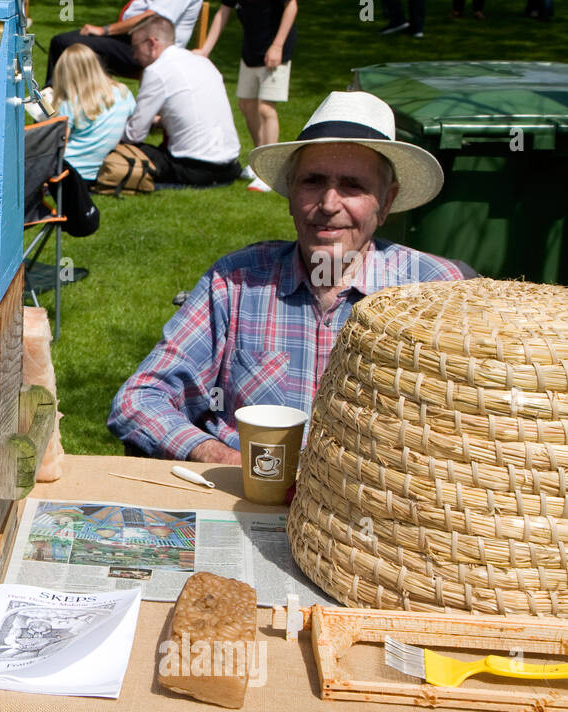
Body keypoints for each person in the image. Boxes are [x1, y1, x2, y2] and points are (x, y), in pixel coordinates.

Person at [108, 91, 467, 461]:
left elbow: (480, 427)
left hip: (373, 507)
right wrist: (218, 457)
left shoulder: (435, 292)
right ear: (291, 194)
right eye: (312, 182)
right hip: (248, 497)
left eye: (352, 186)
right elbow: (139, 399)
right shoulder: (237, 282)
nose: (328, 205)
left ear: (386, 202)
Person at [120, 15, 242, 187]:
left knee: (119, 150)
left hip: (194, 168)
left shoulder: (157, 71)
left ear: (151, 44)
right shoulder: (203, 62)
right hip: (230, 165)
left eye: (135, 47)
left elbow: (134, 135)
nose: (134, 55)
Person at [193, 0, 298, 193]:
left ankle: (270, 173)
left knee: (265, 108)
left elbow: (292, 6)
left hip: (275, 51)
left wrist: (277, 45)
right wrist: (206, 49)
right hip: (251, 50)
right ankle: (259, 164)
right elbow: (223, 12)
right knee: (246, 104)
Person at [44, 0, 203, 84]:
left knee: (68, 45)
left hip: (151, 50)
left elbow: (151, 18)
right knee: (62, 41)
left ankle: (55, 115)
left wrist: (104, 30)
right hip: (134, 40)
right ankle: (56, 107)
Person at [53, 43, 137, 182]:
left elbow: (57, 144)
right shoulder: (123, 93)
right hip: (105, 168)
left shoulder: (71, 102)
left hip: (67, 171)